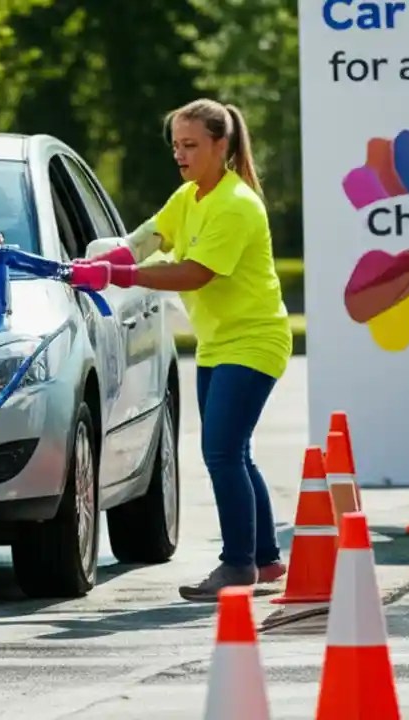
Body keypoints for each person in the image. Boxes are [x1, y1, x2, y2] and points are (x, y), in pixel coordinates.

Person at [69, 98, 293, 602]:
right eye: (176, 145)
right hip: (218, 342)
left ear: (222, 145)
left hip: (255, 339)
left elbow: (195, 272)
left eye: (191, 145)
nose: (181, 155)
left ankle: (237, 566)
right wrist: (103, 262)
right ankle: (266, 559)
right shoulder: (189, 196)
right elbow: (146, 240)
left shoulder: (236, 204)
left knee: (221, 453)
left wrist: (117, 275)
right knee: (235, 452)